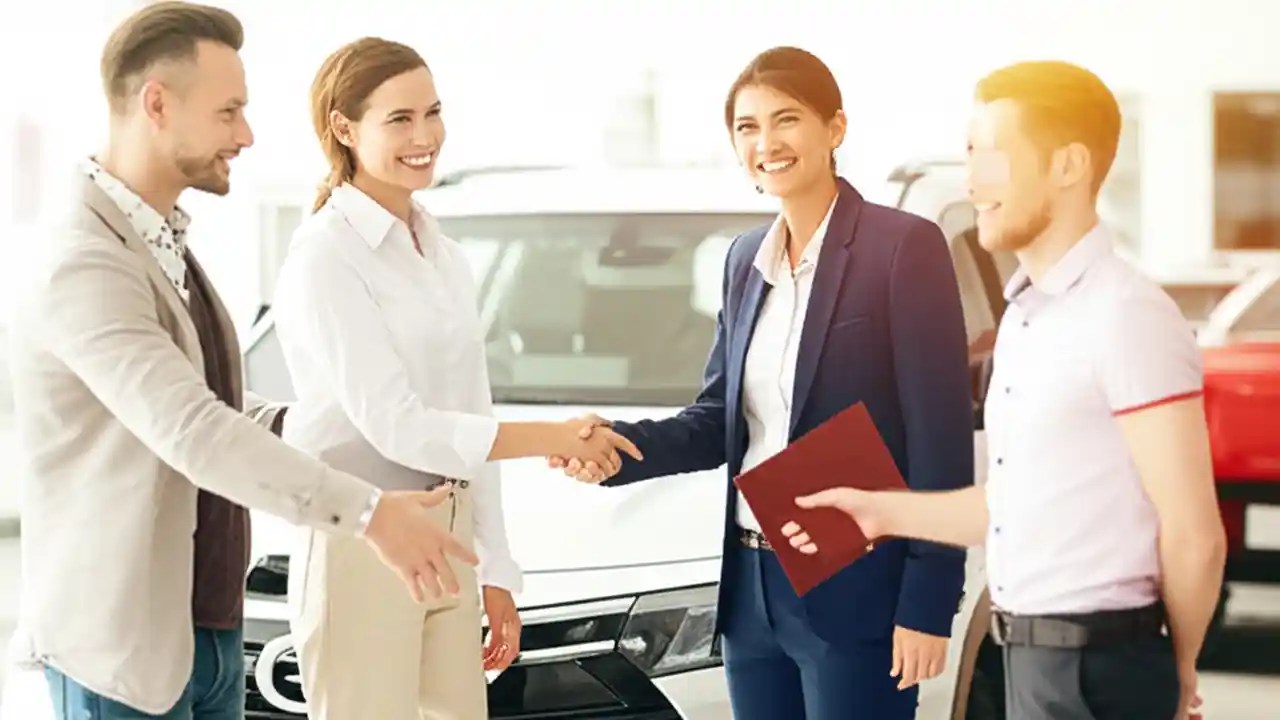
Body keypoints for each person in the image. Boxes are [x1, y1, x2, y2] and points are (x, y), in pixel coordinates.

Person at [7, 3, 484, 720]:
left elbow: (214, 406)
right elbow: (193, 430)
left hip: (206, 635)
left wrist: (317, 427)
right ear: (157, 104)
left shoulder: (164, 245)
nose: (247, 134)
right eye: (229, 111)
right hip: (126, 654)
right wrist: (370, 514)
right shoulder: (87, 262)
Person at [782, 60, 1227, 720]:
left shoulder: (1126, 313)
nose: (971, 180)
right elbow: (1016, 507)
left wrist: (1179, 674)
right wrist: (880, 513)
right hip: (1027, 658)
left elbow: (1194, 533)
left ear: (1069, 165)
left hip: (1099, 668)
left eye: (989, 154)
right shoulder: (1025, 316)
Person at [551, 46, 973, 719]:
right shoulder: (746, 258)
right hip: (751, 591)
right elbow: (718, 418)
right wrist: (615, 447)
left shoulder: (902, 248)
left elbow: (940, 438)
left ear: (834, 129)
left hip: (855, 586)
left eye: (786, 120)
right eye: (747, 128)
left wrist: (928, 604)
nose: (766, 143)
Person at [270, 36, 642, 720]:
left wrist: (496, 571)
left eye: (432, 113)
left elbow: (472, 410)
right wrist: (555, 435)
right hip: (365, 542)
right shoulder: (326, 257)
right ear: (344, 128)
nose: (425, 136)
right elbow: (399, 427)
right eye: (400, 119)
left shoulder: (440, 253)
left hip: (450, 536)